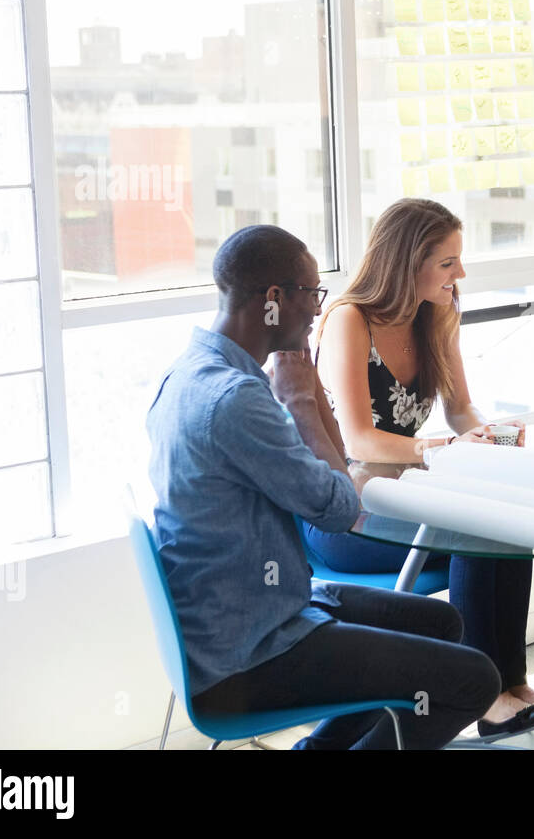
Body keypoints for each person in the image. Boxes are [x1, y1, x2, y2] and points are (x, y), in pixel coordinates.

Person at [146, 224, 499, 749]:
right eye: (311, 294)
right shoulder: (237, 399)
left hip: (251, 610)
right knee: (476, 680)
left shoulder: (188, 372)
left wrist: (307, 399)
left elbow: (337, 486)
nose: (317, 310)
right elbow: (338, 510)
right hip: (250, 650)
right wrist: (302, 404)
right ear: (274, 300)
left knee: (443, 623)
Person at [307, 197, 534, 738]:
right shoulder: (349, 320)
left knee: (508, 520)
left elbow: (459, 409)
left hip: (413, 497)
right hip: (344, 512)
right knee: (475, 523)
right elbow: (358, 438)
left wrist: (488, 432)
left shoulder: (439, 313)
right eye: (448, 262)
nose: (461, 273)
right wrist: (439, 449)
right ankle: (483, 695)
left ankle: (509, 683)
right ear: (408, 263)